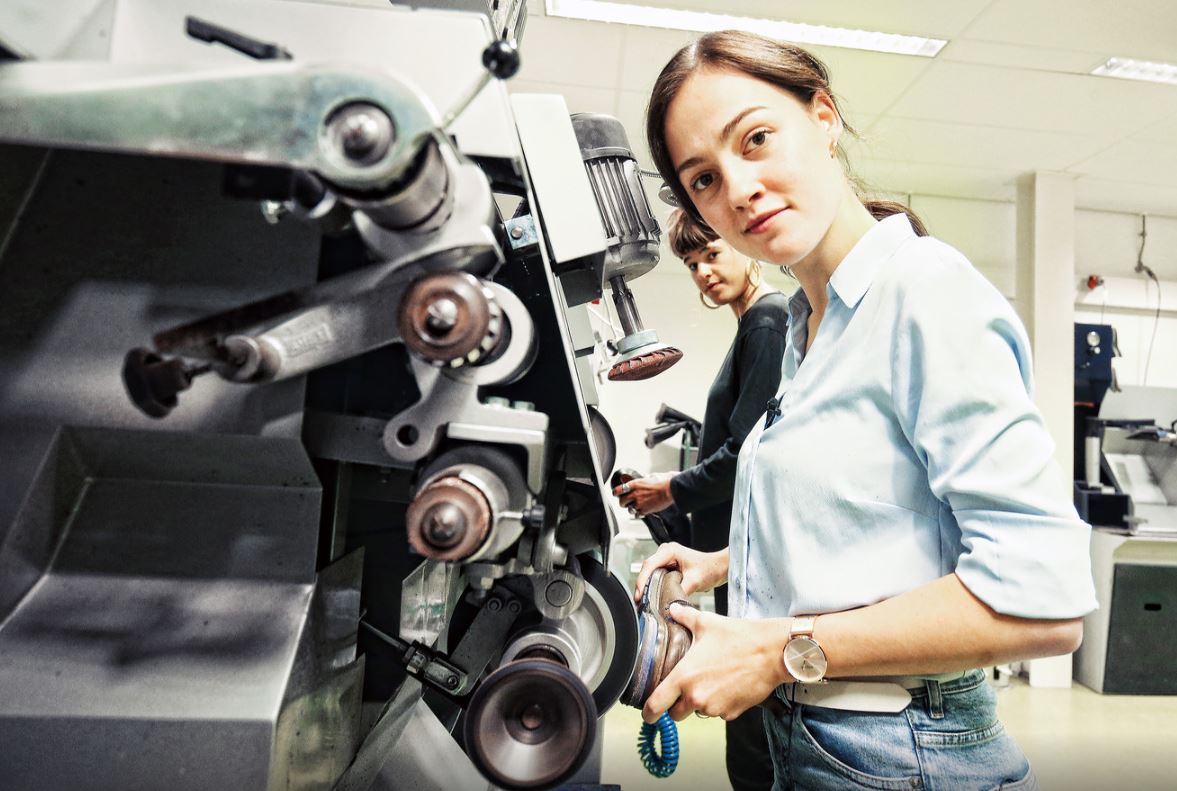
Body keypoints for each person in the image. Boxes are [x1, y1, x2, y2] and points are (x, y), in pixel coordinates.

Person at [632, 30, 1097, 791]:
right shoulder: (805, 326)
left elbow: (1041, 606)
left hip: (897, 748)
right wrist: (721, 563)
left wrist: (772, 650)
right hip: (802, 737)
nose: (737, 188)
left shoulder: (923, 293)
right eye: (703, 180)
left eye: (755, 139)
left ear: (823, 118)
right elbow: (875, 522)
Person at [614, 208, 787, 790]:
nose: (703, 273)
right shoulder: (751, 328)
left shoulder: (768, 320)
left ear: (745, 247)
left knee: (754, 731)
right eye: (691, 264)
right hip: (732, 554)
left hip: (756, 560)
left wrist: (671, 488)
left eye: (712, 254)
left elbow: (746, 453)